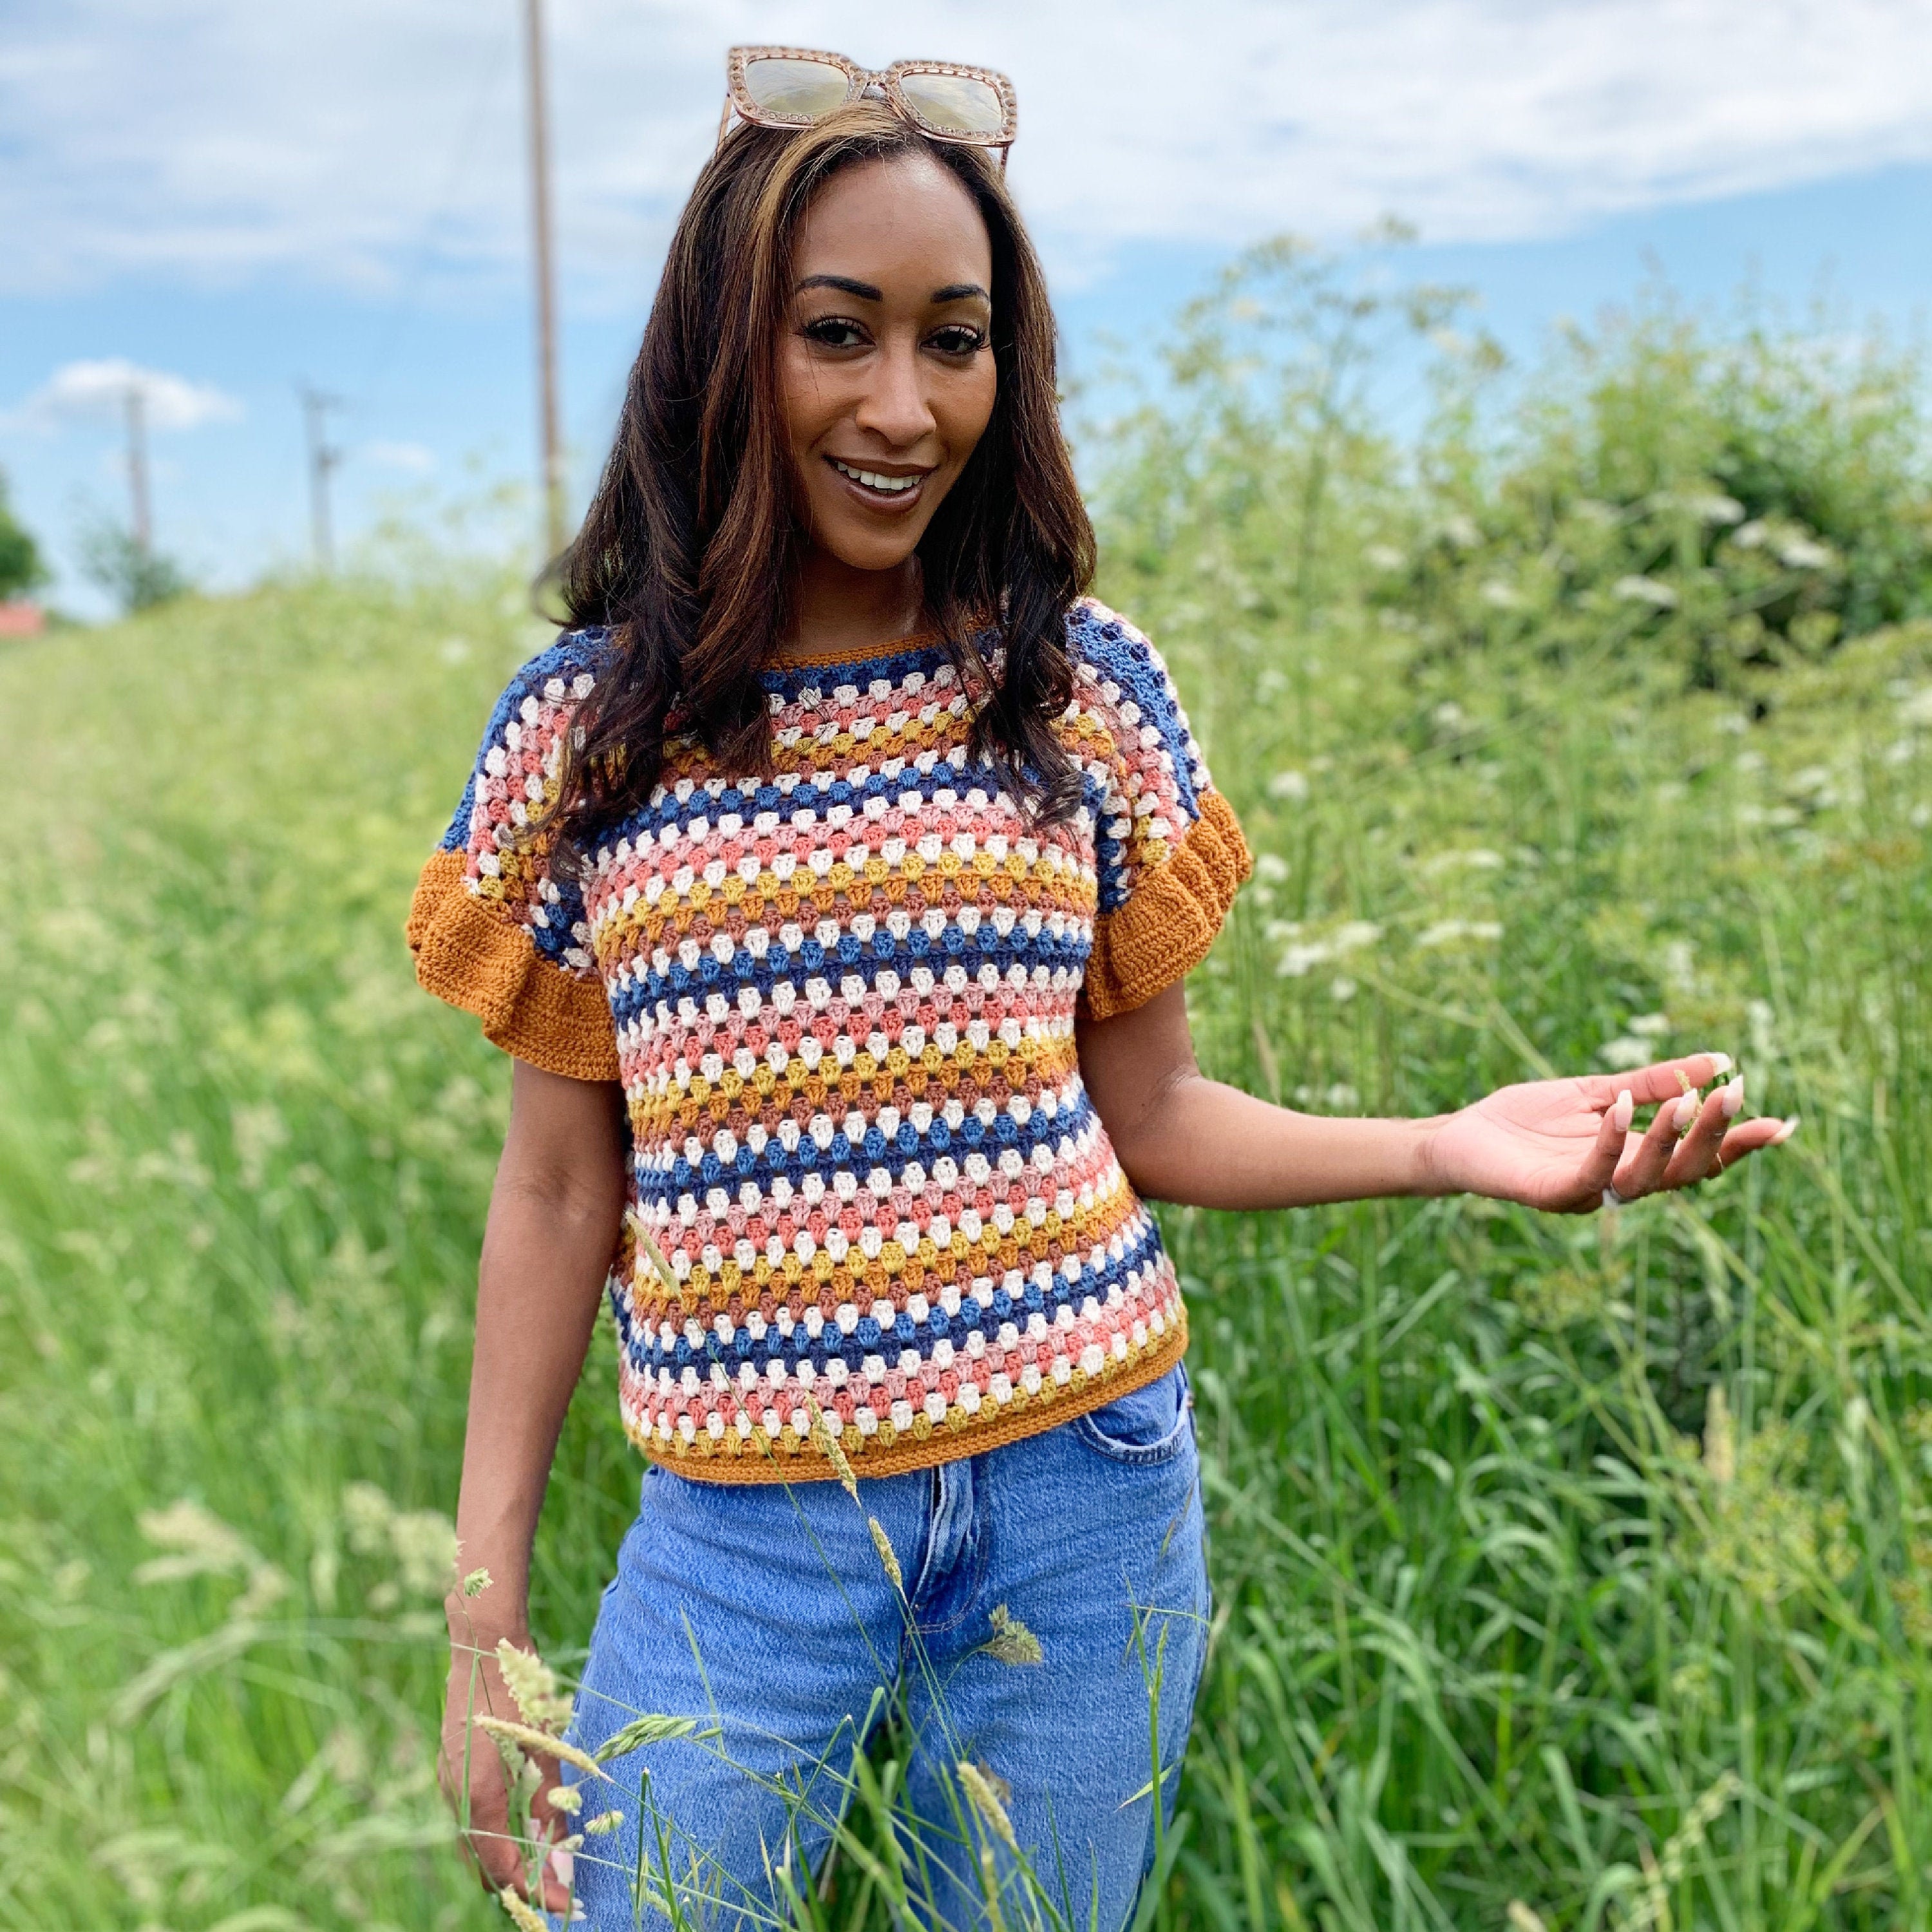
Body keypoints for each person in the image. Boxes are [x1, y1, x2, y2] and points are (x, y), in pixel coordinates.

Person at [408, 46, 1797, 1932]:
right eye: (841, 331)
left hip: (1086, 1490)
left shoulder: (1078, 692)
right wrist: (484, 1610)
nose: (905, 403)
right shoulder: (592, 736)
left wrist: (1448, 1148)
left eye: (955, 339)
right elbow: (563, 1190)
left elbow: (1145, 1114)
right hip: (744, 1536)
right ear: (730, 348)